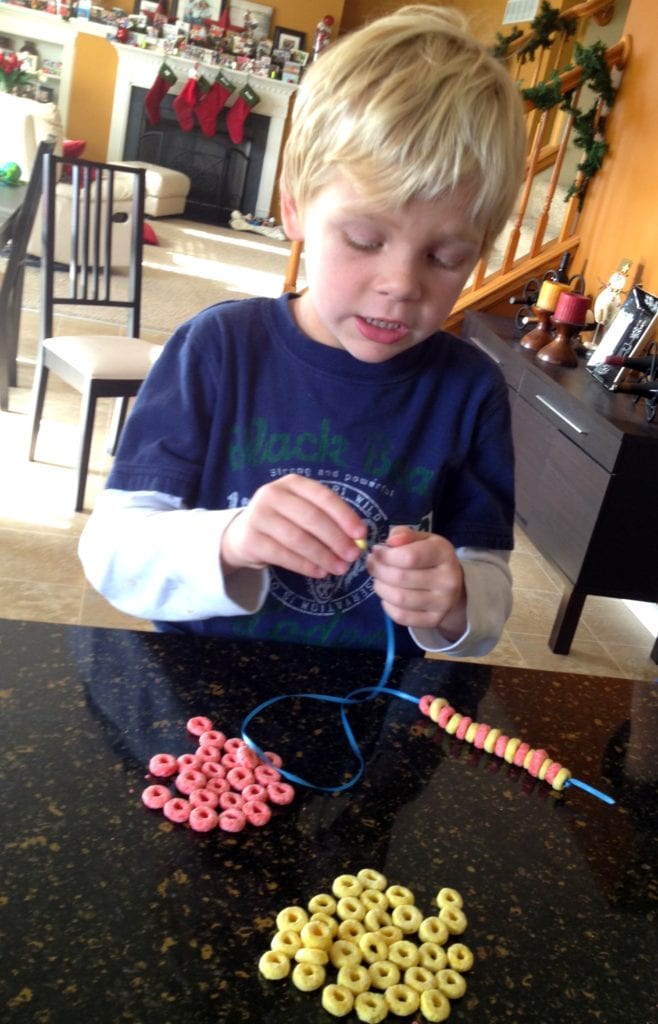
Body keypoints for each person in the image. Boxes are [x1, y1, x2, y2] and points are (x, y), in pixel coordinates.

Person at [79, 5, 526, 656]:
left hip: (367, 724)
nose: (401, 283)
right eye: (365, 239)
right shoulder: (217, 351)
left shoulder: (471, 390)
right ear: (294, 206)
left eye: (446, 258)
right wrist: (230, 538)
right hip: (202, 713)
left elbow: (488, 586)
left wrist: (455, 598)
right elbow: (111, 551)